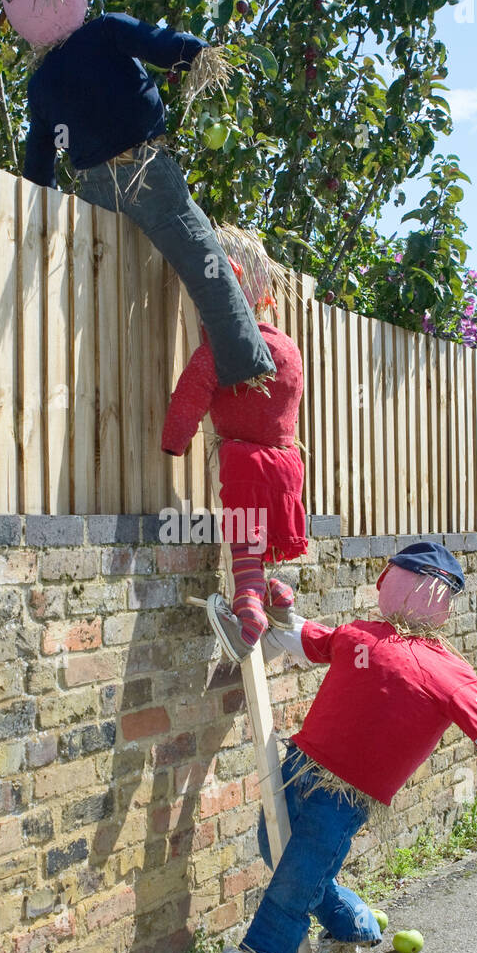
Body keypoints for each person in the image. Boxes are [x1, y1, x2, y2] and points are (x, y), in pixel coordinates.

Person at [175, 542, 477, 953]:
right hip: (300, 764)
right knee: (274, 847)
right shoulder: (359, 633)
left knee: (300, 871)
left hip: (346, 795)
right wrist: (271, 622)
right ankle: (354, 925)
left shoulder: (448, 670)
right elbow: (310, 639)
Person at [0, 0, 275, 389]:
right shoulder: (105, 29)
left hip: (95, 190)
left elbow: (39, 159)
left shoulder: (40, 82)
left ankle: (102, 385)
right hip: (146, 172)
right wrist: (198, 52)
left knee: (107, 286)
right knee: (203, 260)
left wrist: (42, 202)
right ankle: (246, 366)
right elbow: (157, 44)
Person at [161, 229, 308, 655]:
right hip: (287, 468)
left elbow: (193, 390)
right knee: (261, 544)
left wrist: (175, 441)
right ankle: (278, 596)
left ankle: (249, 617)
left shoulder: (227, 344)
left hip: (247, 465)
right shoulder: (288, 347)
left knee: (244, 542)